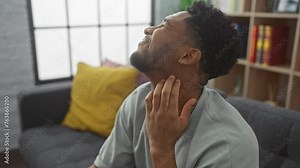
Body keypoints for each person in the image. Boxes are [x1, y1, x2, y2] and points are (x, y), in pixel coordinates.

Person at [90, 1, 258, 168]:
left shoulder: (230, 147)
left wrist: (162, 148)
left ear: (187, 56)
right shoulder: (139, 100)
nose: (148, 29)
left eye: (165, 25)